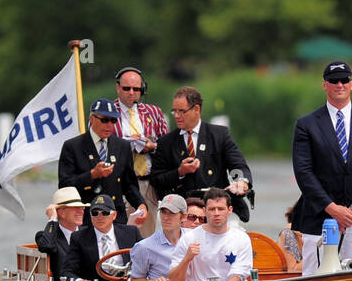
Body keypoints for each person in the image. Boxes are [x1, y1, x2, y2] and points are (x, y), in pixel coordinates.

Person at [291, 61, 352, 274]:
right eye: (334, 81)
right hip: (318, 217)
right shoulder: (306, 125)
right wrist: (332, 208)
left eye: (345, 80)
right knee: (316, 278)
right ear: (325, 85)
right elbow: (303, 172)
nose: (340, 84)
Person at [149, 86, 253, 221]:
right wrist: (180, 172)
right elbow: (156, 180)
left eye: (182, 111)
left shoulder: (219, 135)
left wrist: (242, 181)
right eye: (174, 111)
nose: (176, 116)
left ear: (196, 109)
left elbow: (238, 165)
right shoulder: (166, 142)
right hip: (184, 213)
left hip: (215, 207)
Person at [57, 98, 147, 227]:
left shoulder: (122, 146)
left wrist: (141, 204)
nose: (109, 125)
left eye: (113, 120)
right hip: (87, 218)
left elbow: (129, 184)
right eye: (105, 120)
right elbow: (65, 186)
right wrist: (92, 175)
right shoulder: (73, 146)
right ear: (92, 119)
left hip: (115, 217)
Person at [111, 67, 171, 238]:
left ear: (142, 89)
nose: (131, 93)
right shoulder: (106, 112)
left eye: (136, 89)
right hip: (120, 182)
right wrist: (125, 145)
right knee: (120, 232)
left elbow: (167, 145)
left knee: (146, 234)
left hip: (148, 182)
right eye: (127, 88)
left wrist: (152, 146)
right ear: (118, 88)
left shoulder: (153, 112)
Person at [165, 187, 253, 281]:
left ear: (230, 210)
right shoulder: (189, 238)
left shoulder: (242, 238)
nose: (216, 213)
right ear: (204, 211)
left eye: (221, 209)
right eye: (212, 209)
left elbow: (237, 277)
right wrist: (187, 259)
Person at [62, 194, 143, 281]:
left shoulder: (131, 232)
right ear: (90, 216)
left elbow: (146, 259)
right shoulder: (79, 238)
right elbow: (67, 271)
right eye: (95, 213)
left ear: (114, 215)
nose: (99, 217)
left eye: (105, 213)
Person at [129, 194, 189, 281]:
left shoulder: (194, 237)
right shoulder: (144, 247)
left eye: (172, 213)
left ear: (184, 217)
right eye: (163, 212)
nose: (165, 217)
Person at [35, 187, 86, 280]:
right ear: (61, 213)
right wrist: (52, 218)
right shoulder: (46, 236)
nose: (81, 211)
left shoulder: (88, 233)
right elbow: (47, 246)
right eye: (75, 208)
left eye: (82, 207)